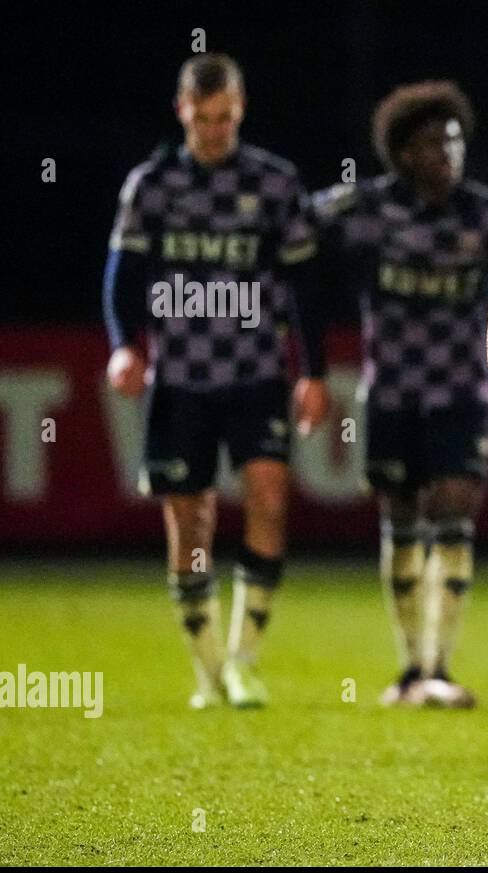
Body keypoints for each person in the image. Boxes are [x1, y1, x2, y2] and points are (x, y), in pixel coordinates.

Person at [103, 53, 328, 709]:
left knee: (268, 496)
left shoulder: (274, 182)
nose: (214, 131)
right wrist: (124, 347)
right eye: (203, 119)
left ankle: (244, 661)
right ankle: (207, 671)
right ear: (183, 113)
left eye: (225, 117)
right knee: (190, 522)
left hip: (256, 374)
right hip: (179, 380)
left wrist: (312, 370)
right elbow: (121, 277)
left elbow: (303, 284)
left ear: (240, 110)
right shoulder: (150, 185)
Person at [312, 82, 488, 708]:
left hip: (463, 390)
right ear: (403, 154)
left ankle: (439, 667)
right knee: (398, 521)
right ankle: (408, 667)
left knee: (452, 510)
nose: (446, 153)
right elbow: (293, 226)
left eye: (452, 141)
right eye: (429, 144)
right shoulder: (366, 208)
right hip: (391, 393)